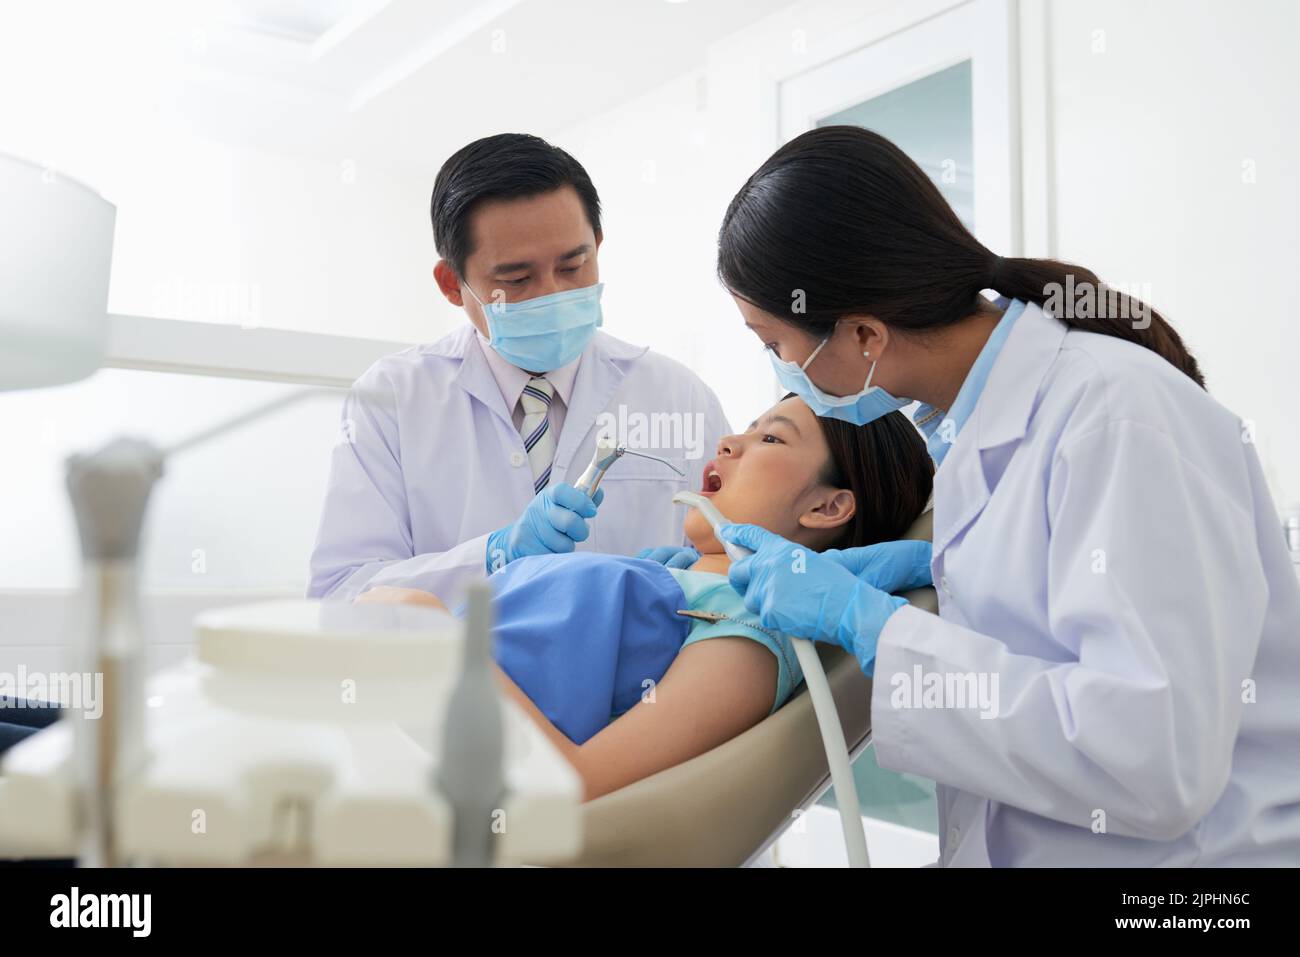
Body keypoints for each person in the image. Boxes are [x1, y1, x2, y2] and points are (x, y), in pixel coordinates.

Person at [697, 124, 1300, 866]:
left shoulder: (1114, 414)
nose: (779, 373)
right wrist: (940, 581)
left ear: (862, 333)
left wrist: (877, 628)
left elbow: (1152, 760)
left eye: (775, 344)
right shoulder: (975, 434)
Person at [359, 396, 932, 802]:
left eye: (771, 437)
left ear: (828, 507)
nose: (729, 441)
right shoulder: (668, 575)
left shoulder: (752, 626)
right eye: (748, 427)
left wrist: (427, 641)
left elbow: (577, 784)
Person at [308, 133, 730, 605]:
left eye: (573, 266)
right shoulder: (391, 399)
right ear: (452, 283)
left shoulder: (679, 396)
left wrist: (701, 581)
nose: (552, 294)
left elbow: (739, 561)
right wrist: (492, 557)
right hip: (463, 676)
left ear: (598, 246)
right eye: (516, 279)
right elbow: (340, 593)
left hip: (650, 680)